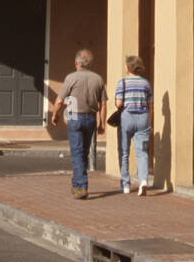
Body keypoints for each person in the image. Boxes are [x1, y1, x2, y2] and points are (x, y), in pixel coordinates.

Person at [51, 49, 107, 199]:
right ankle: (76, 183)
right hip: (90, 118)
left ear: (76, 63)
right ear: (90, 63)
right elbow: (103, 104)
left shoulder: (71, 78)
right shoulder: (98, 79)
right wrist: (102, 123)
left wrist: (55, 114)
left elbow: (59, 100)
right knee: (83, 152)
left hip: (75, 117)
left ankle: (81, 186)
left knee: (77, 152)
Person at [115, 55, 153, 196]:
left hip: (127, 117)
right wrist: (150, 121)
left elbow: (119, 103)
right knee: (142, 152)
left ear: (128, 67)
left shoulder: (122, 83)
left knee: (124, 152)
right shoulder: (145, 83)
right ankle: (143, 180)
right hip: (143, 117)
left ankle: (125, 184)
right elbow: (150, 104)